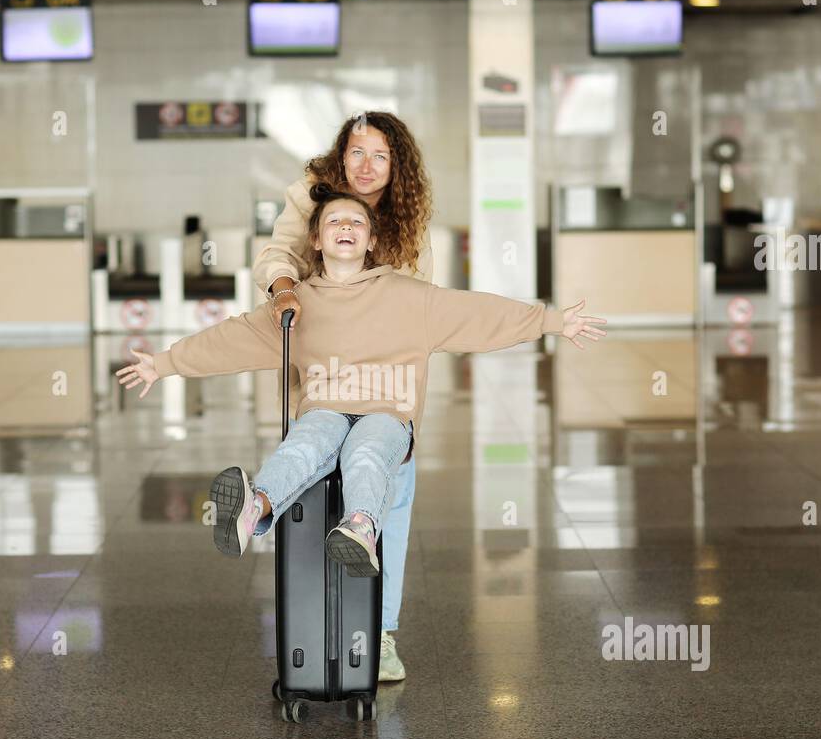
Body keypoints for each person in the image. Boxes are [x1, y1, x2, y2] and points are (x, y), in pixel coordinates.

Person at [116, 186, 606, 596]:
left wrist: (553, 320)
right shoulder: (296, 305)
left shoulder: (410, 298)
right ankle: (254, 508)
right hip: (326, 408)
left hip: (387, 413)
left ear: (371, 240)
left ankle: (360, 529)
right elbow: (233, 339)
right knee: (305, 444)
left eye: (356, 222)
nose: (345, 227)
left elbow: (480, 314)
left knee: (369, 452)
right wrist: (164, 364)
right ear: (316, 239)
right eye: (334, 222)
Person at [252, 111, 431, 681]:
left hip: (387, 382)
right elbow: (275, 254)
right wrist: (284, 286)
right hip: (324, 367)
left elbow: (425, 310)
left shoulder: (408, 219)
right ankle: (308, 619)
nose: (368, 166)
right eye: (357, 153)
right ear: (341, 154)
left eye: (381, 156)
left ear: (396, 164)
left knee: (390, 492)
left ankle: (378, 635)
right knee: (308, 465)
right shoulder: (311, 196)